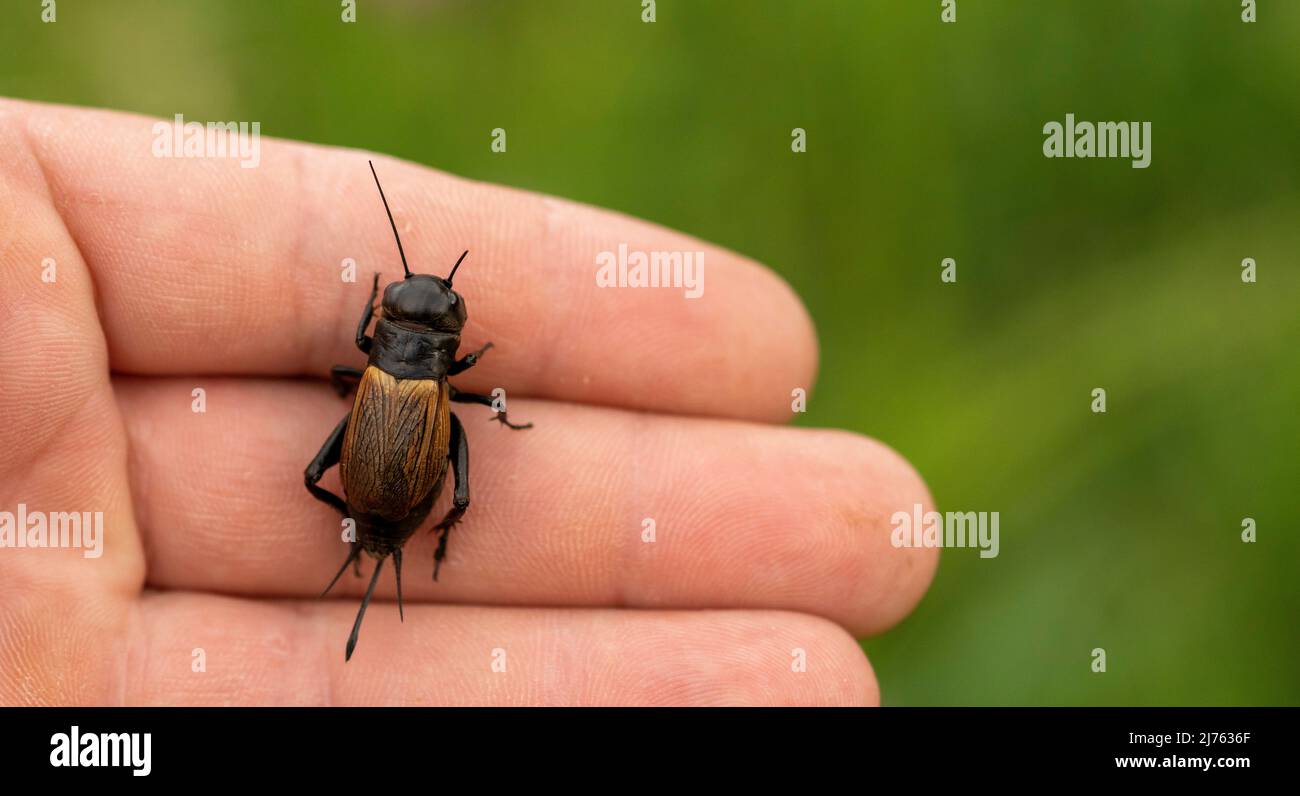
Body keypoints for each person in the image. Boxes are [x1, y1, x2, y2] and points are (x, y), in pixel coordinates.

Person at [0, 99, 936, 704]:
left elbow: (367, 363)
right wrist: (446, 469)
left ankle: (408, 534)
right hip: (396, 485)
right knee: (457, 478)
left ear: (405, 335)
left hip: (380, 468)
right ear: (442, 346)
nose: (417, 310)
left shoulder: (371, 361)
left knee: (327, 471)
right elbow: (447, 396)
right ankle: (425, 536)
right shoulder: (441, 378)